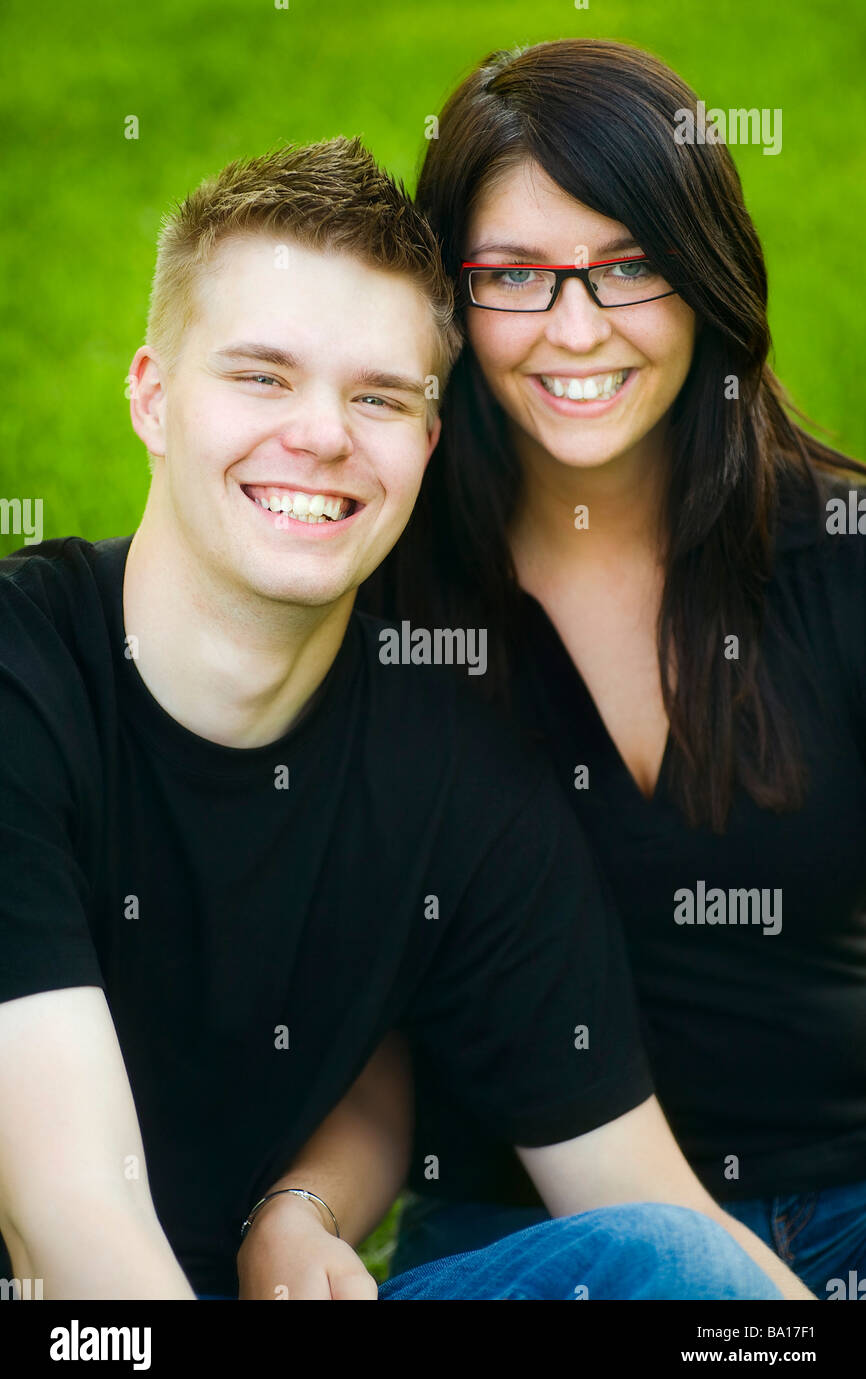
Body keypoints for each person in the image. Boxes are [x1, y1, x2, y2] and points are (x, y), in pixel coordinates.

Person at [0, 136, 809, 1302]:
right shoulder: (27, 682)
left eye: (376, 396)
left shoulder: (458, 764)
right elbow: (71, 1218)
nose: (323, 435)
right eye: (262, 376)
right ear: (153, 396)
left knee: (666, 1264)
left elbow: (645, 1199)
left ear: (425, 445)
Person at [357, 38, 866, 1299]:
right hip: (537, 1241)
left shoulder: (839, 557)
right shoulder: (384, 597)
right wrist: (303, 1212)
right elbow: (351, 999)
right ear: (449, 304)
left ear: (704, 276)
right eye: (514, 276)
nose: (574, 329)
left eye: (628, 266)